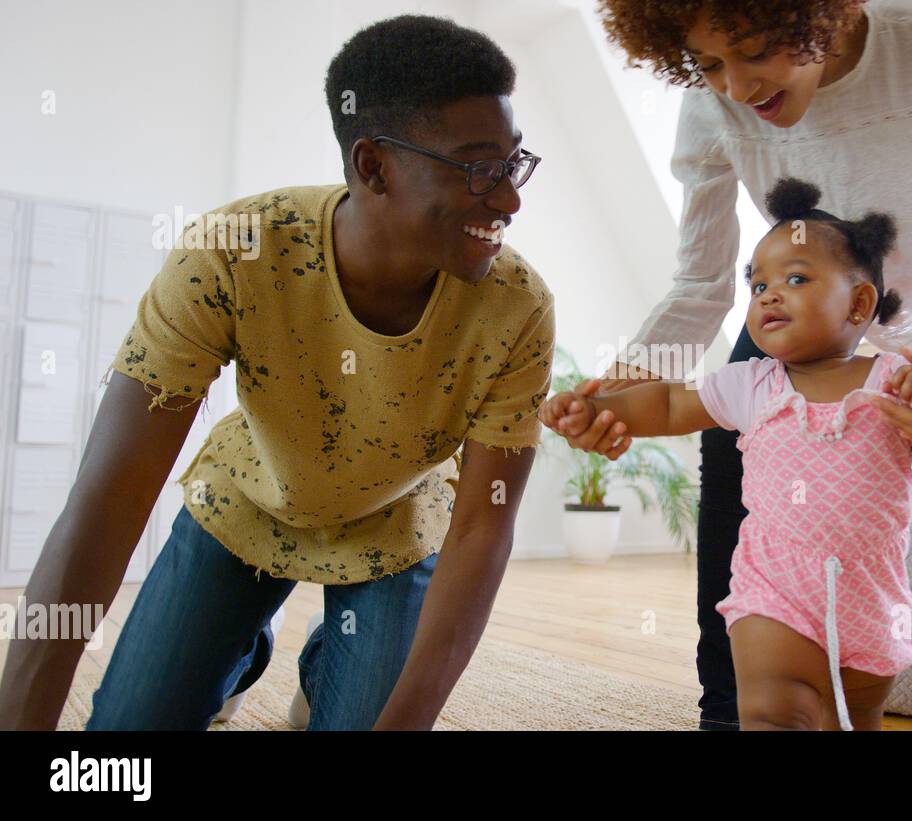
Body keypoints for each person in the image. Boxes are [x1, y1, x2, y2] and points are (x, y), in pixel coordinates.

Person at [0, 15, 554, 731]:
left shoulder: (517, 305)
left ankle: (330, 668)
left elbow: (482, 528)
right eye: (479, 167)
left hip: (394, 525)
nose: (509, 197)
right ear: (373, 166)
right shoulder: (233, 251)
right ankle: (232, 648)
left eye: (512, 164)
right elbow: (107, 498)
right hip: (247, 502)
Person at [567, 0, 912, 730]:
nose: (732, 87)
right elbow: (701, 286)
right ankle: (726, 712)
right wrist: (617, 392)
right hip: (809, 305)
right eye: (708, 64)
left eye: (753, 49)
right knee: (725, 454)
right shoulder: (715, 105)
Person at [543, 178, 912, 730]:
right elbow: (671, 405)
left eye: (795, 279)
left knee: (856, 715)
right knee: (776, 711)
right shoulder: (751, 384)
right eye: (757, 285)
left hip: (871, 598)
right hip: (774, 588)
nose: (769, 294)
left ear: (859, 304)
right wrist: (600, 410)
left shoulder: (895, 381)